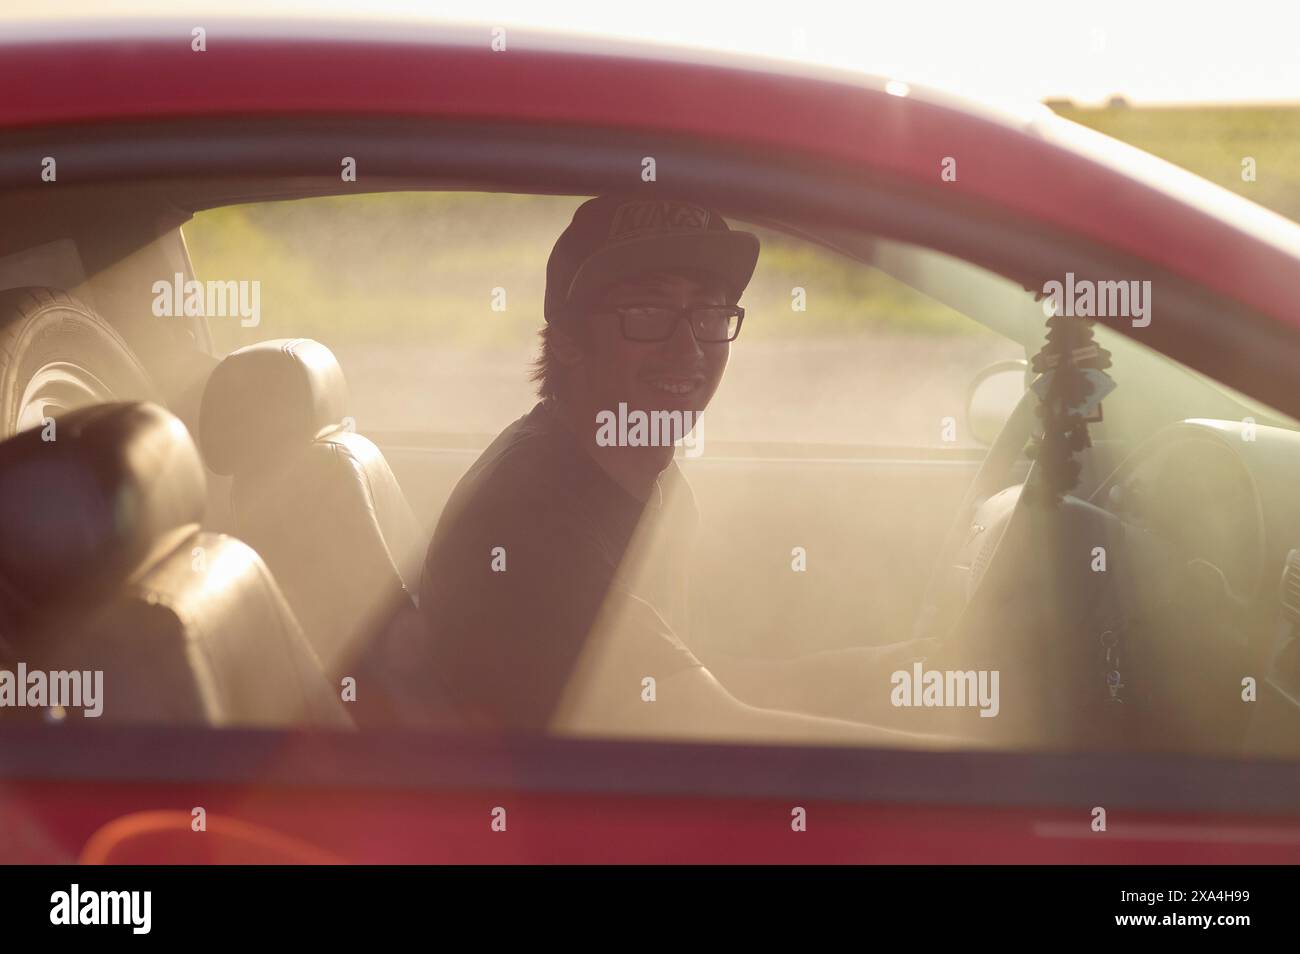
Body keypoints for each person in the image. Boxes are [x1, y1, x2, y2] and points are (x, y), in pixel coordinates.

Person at [415, 195, 949, 747]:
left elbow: (676, 682)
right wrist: (975, 776)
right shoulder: (529, 525)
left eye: (711, 314)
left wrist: (901, 672)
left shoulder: (648, 480)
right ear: (570, 342)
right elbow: (711, 729)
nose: (688, 346)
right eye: (648, 313)